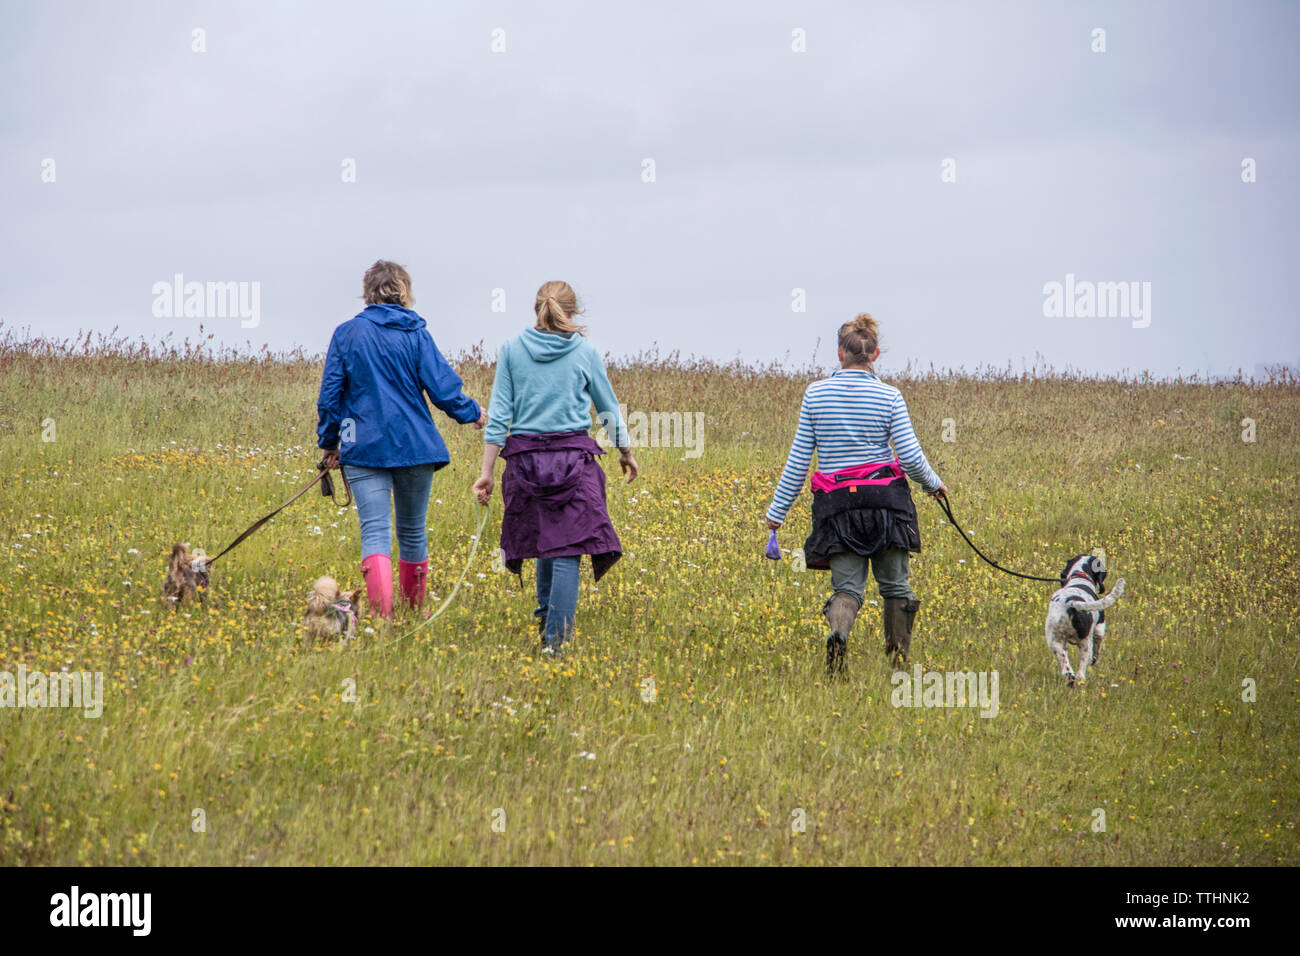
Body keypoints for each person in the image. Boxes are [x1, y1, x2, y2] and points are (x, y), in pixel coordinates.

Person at [765, 313, 947, 674]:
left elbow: (799, 460)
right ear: (875, 354)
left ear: (839, 353)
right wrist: (933, 484)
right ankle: (898, 665)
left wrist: (777, 512)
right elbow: (910, 456)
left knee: (847, 588)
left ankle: (839, 634)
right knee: (895, 585)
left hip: (838, 507)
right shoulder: (890, 396)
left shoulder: (815, 394)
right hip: (887, 506)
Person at [473, 281, 638, 654]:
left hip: (524, 463)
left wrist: (486, 472)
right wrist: (625, 451)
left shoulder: (513, 350)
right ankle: (555, 644)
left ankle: (545, 621)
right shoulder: (585, 352)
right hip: (572, 463)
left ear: (537, 311)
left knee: (545, 542)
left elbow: (499, 418)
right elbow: (608, 410)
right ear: (572, 313)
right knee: (566, 550)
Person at [316, 260, 485, 618]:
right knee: (412, 530)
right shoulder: (418, 335)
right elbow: (443, 389)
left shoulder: (347, 334)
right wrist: (473, 413)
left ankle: (383, 619)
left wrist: (330, 443)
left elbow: (331, 396)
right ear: (404, 291)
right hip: (416, 447)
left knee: (375, 530)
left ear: (368, 291)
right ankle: (413, 612)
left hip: (364, 448)